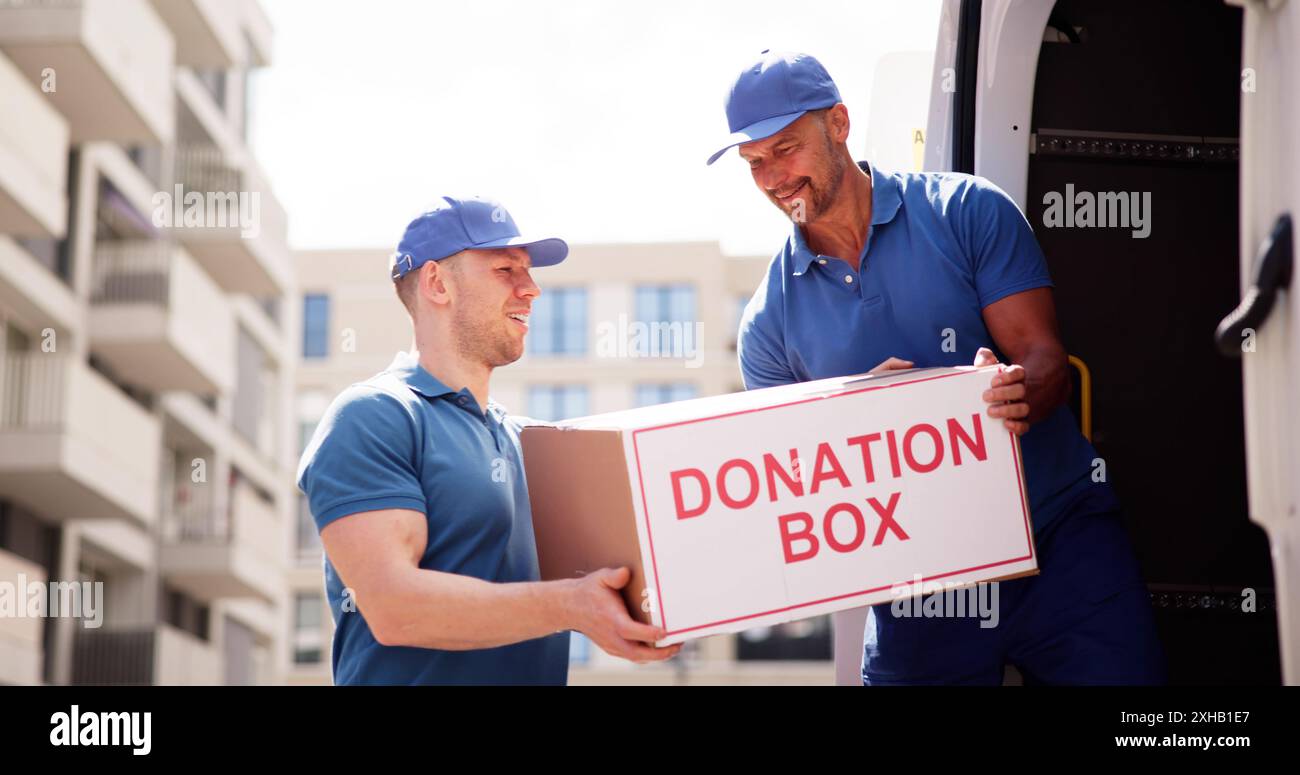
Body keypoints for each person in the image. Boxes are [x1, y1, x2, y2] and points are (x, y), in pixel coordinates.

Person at [710, 51, 1166, 685]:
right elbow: (796, 487)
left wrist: (1013, 392)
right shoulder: (767, 325)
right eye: (753, 163)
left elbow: (1047, 362)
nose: (772, 177)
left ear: (838, 123)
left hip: (1059, 544)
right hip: (916, 590)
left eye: (785, 149)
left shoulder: (967, 211)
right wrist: (856, 421)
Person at [298, 195, 681, 684]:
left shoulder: (533, 444)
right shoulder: (375, 416)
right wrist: (572, 606)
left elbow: (612, 578)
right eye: (506, 270)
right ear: (438, 283)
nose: (533, 290)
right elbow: (396, 608)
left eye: (529, 272)